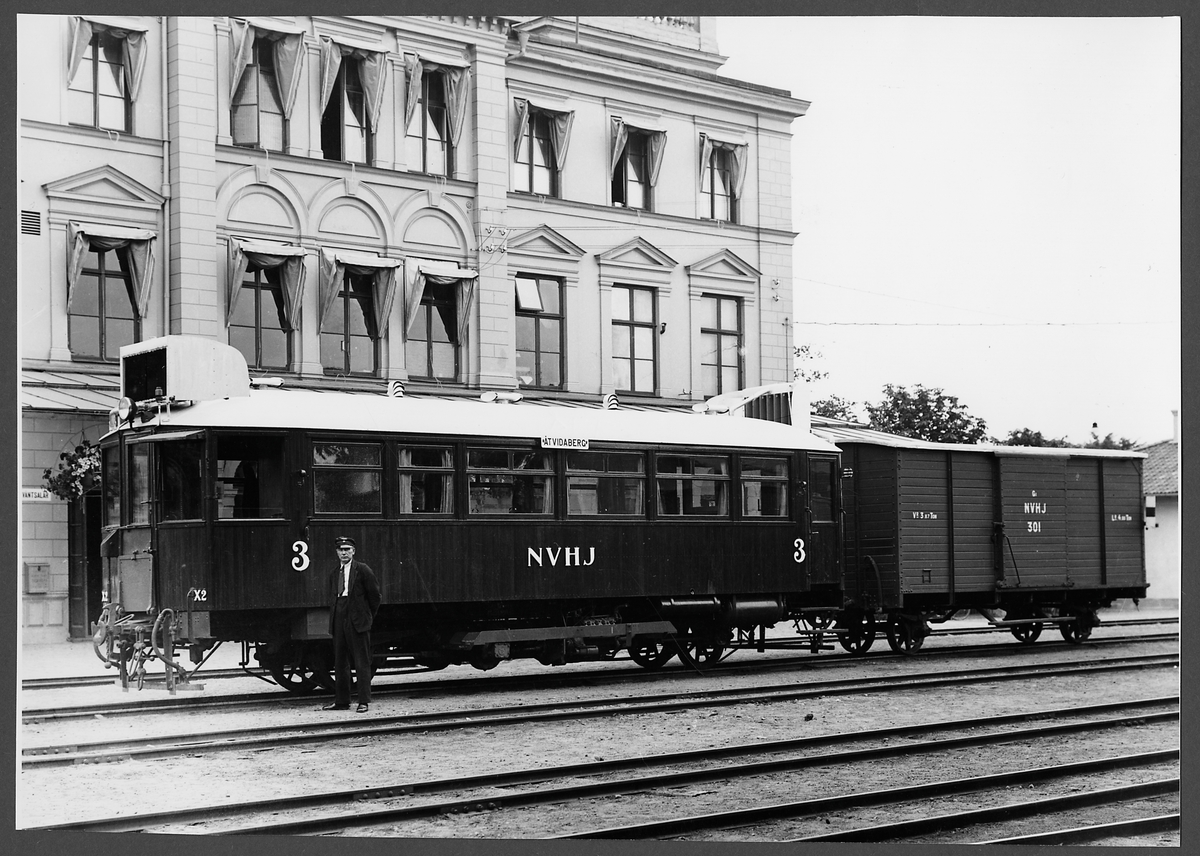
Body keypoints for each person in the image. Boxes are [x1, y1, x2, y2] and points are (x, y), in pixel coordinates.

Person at [323, 536, 381, 713]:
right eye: (341, 550)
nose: (344, 552)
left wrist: (366, 617)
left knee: (361, 661)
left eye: (347, 549)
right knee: (340, 662)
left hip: (358, 620)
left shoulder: (363, 570)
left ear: (353, 551)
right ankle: (342, 701)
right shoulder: (334, 573)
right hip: (339, 617)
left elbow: (375, 597)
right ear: (337, 552)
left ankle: (363, 701)